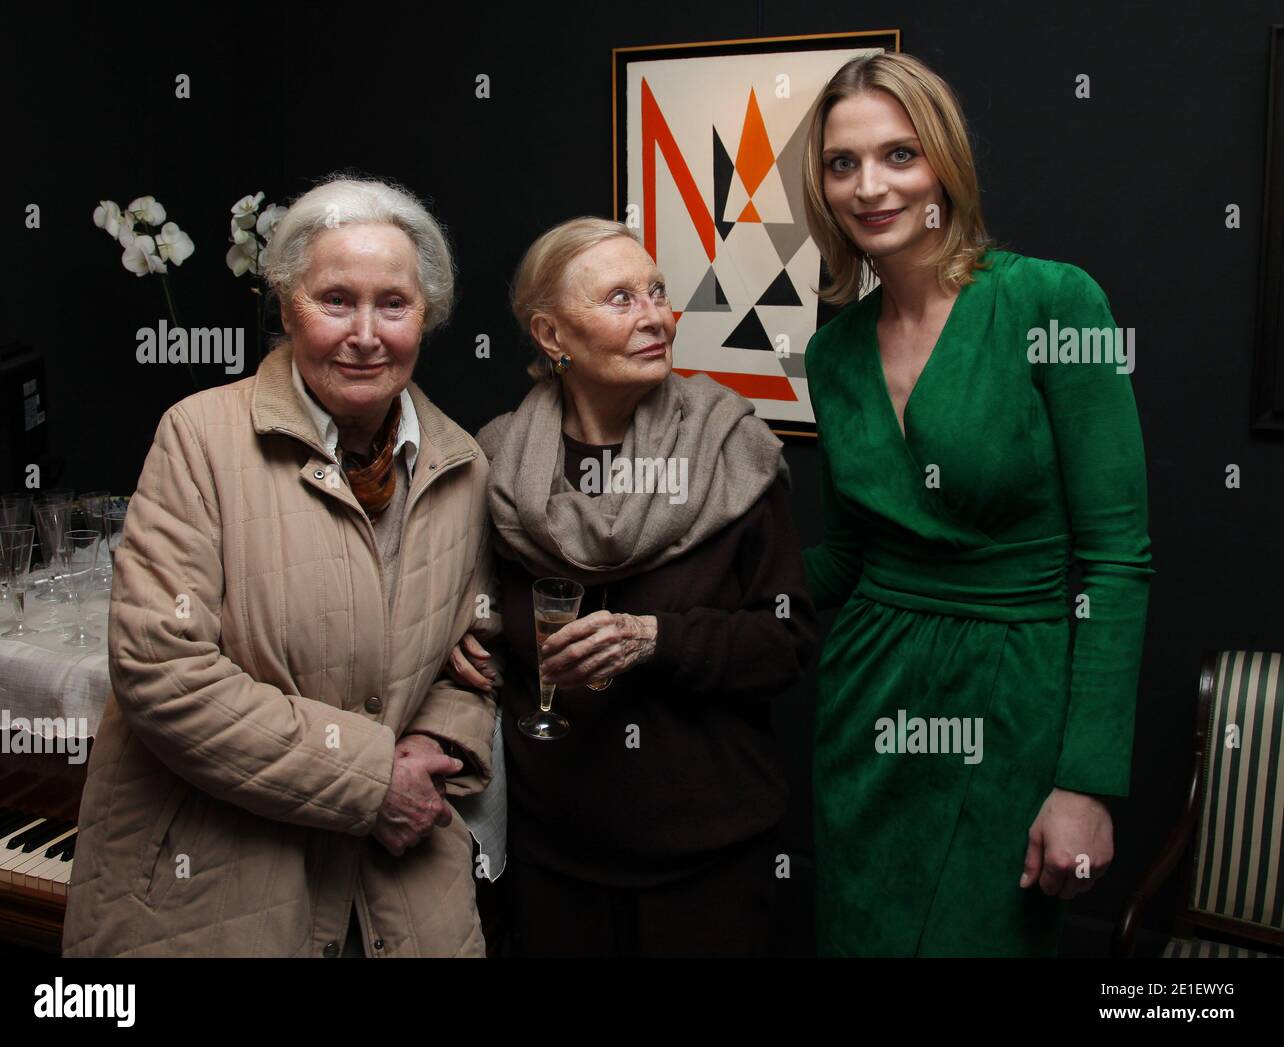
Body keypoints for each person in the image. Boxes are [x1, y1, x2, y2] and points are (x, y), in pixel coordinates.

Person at [62, 176, 499, 957]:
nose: (365, 332)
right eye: (335, 299)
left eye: (393, 304)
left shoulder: (461, 463)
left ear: (425, 316)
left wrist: (439, 744)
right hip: (218, 898)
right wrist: (372, 782)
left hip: (403, 896)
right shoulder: (199, 438)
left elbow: (467, 657)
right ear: (287, 304)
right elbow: (163, 672)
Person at [799, 53, 1154, 956]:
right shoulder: (834, 352)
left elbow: (1117, 559)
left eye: (899, 155)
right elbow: (841, 558)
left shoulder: (1054, 299)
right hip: (867, 701)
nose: (870, 186)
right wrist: (667, 602)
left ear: (944, 165)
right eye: (843, 164)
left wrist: (1086, 783)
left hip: (1013, 699)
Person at [449, 217, 817, 957]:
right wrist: (465, 635)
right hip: (555, 853)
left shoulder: (729, 450)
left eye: (657, 291)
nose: (656, 315)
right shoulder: (496, 466)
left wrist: (657, 639)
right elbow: (481, 618)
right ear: (552, 335)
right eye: (621, 299)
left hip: (709, 856)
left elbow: (788, 642)